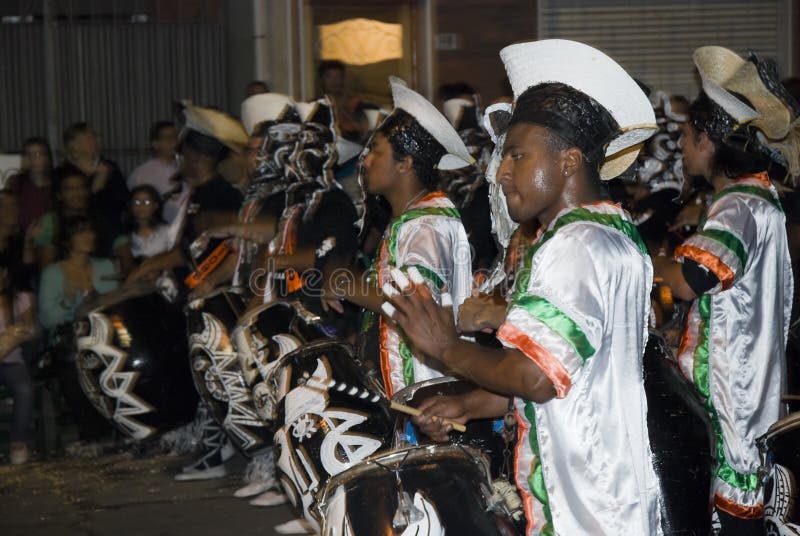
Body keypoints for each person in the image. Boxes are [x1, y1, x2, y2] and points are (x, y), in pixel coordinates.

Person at [383, 40, 663, 535]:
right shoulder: (613, 233)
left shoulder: (575, 245)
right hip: (607, 494)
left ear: (570, 160)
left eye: (516, 155)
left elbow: (533, 376)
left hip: (582, 504)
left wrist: (446, 347)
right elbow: (562, 378)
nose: (503, 171)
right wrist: (466, 404)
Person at [652, 46, 796, 534]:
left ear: (708, 141)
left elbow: (692, 279)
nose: (684, 147)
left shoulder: (740, 204)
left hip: (736, 399)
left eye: (687, 137)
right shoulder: (756, 197)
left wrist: (645, 260)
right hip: (748, 388)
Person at [323, 78, 474, 397]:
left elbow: (416, 305)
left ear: (405, 163)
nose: (365, 161)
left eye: (376, 151)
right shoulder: (410, 219)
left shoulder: (425, 224)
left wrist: (345, 284)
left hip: (421, 389)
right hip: (408, 386)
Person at [39, 216, 118, 444]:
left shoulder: (105, 266)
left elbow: (114, 303)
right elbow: (47, 318)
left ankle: (116, 426)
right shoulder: (53, 273)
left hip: (105, 335)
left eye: (90, 231)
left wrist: (97, 298)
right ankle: (91, 432)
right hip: (70, 339)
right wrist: (72, 305)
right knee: (75, 365)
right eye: (80, 233)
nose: (88, 237)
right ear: (68, 240)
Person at [33, 169, 127, 269]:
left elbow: (122, 245)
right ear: (59, 195)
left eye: (82, 187)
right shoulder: (50, 222)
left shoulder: (99, 217)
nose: (78, 193)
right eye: (70, 189)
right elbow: (47, 267)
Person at [60, 122, 129, 243]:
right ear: (74, 145)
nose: (97, 139)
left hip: (110, 231)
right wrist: (94, 187)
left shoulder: (110, 168)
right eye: (90, 137)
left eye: (96, 136)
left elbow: (123, 200)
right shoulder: (63, 173)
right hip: (75, 232)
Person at [317, 60, 369, 143]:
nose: (334, 81)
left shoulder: (355, 102)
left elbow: (363, 131)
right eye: (329, 77)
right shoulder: (316, 105)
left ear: (343, 78)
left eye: (338, 76)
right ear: (321, 79)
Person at [9, 137, 53, 232]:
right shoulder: (16, 183)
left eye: (37, 154)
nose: (32, 159)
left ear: (47, 157)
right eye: (28, 155)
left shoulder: (57, 183)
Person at [127, 121, 179, 197]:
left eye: (175, 137)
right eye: (167, 138)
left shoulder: (187, 170)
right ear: (155, 144)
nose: (173, 142)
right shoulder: (141, 174)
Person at [127, 185, 171, 261]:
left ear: (155, 206)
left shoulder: (167, 231)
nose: (141, 206)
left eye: (146, 202)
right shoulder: (126, 237)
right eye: (136, 202)